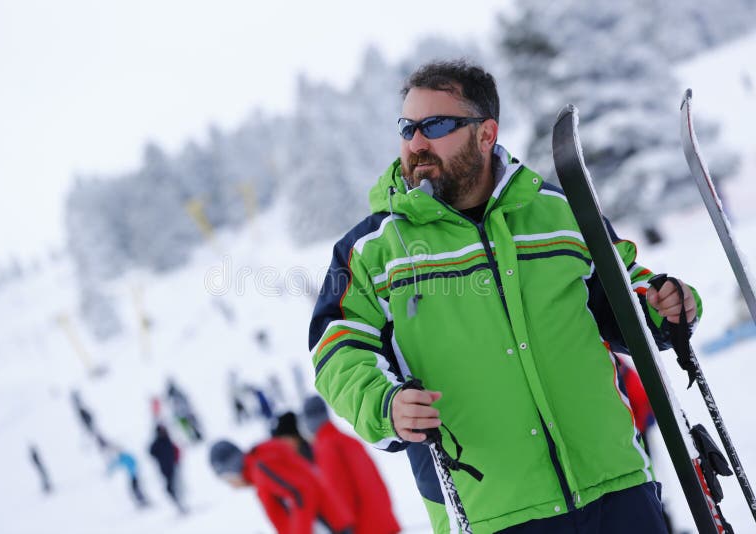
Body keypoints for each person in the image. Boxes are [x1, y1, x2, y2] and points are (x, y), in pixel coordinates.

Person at [308, 59, 701, 533]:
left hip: (616, 487)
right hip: (492, 512)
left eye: (434, 125)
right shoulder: (372, 251)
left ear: (486, 133)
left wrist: (666, 305)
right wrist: (384, 405)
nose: (416, 143)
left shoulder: (559, 214)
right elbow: (337, 348)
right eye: (407, 127)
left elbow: (627, 291)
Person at [208, 437, 354, 534]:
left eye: (227, 479)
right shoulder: (261, 464)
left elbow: (301, 492)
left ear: (232, 470)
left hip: (330, 526)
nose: (232, 486)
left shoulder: (261, 468)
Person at [302, 395, 401, 534]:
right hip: (383, 521)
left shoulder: (325, 447)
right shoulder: (348, 440)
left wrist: (343, 528)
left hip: (363, 527)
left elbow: (338, 493)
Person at [149, 424, 187, 514]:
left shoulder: (168, 440)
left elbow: (176, 451)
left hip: (173, 467)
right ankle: (178, 504)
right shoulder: (157, 443)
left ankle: (181, 504)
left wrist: (176, 460)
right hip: (164, 468)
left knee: (176, 486)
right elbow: (151, 452)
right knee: (170, 487)